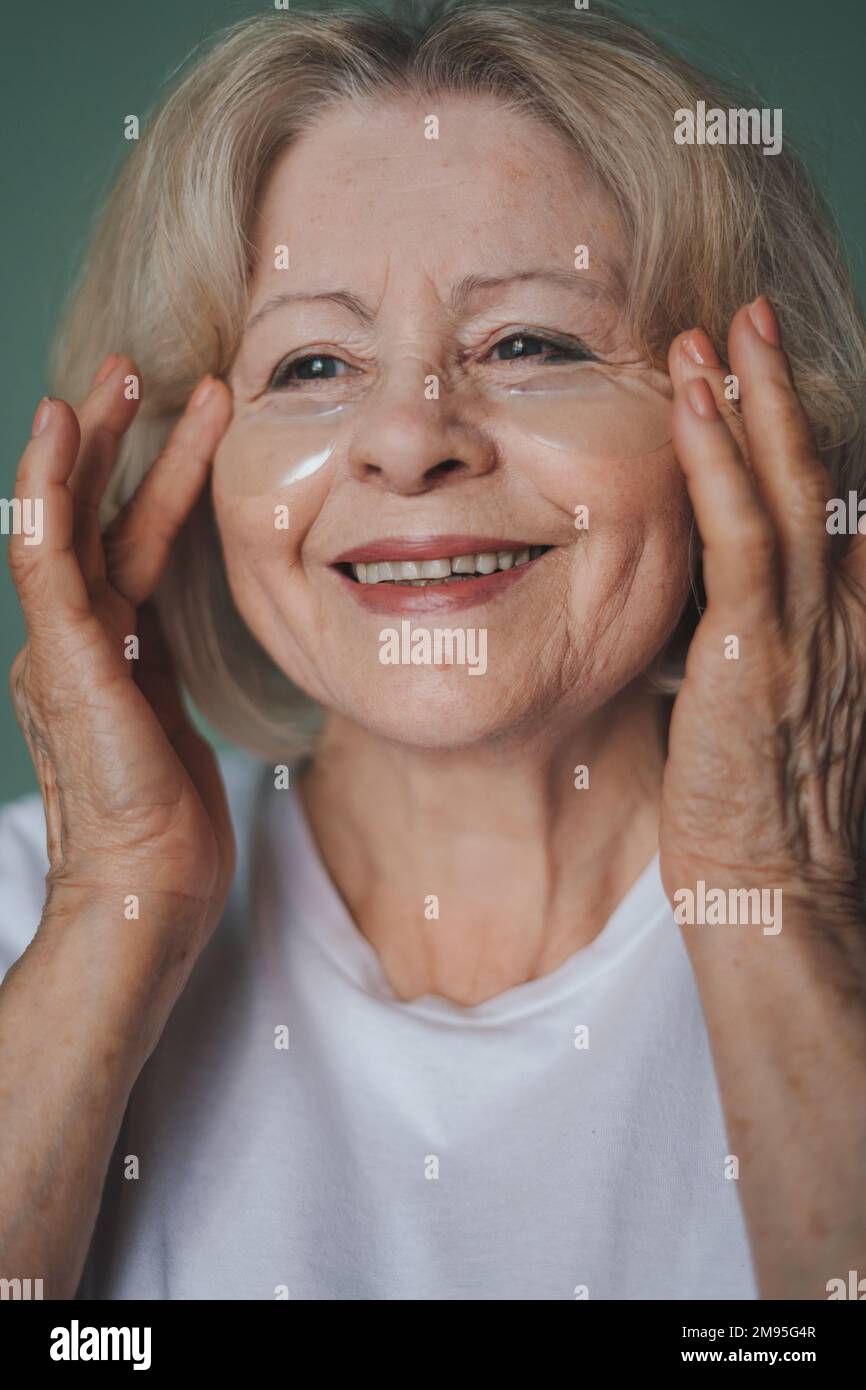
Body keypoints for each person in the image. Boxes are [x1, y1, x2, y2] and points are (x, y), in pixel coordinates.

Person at [1, 0, 865, 1301]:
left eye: (528, 342)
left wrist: (769, 899)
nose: (408, 440)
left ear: (755, 444)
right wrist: (109, 905)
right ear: (186, 477)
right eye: (310, 364)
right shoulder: (26, 908)